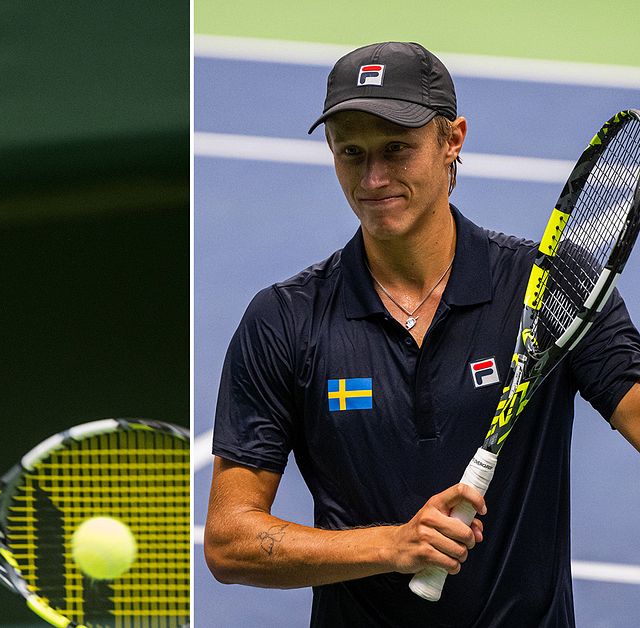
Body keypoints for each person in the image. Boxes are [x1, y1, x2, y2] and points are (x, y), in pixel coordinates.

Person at [203, 41, 640, 626]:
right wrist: (391, 546)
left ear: (452, 139)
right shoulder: (285, 320)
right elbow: (230, 542)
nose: (373, 177)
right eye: (351, 153)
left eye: (397, 149)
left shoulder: (552, 289)